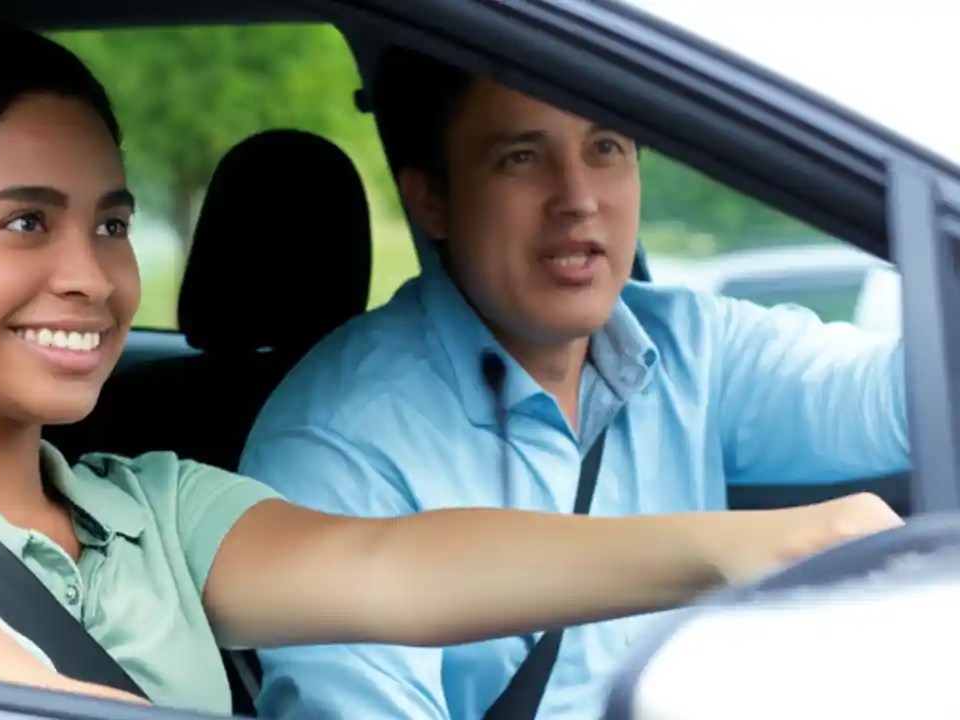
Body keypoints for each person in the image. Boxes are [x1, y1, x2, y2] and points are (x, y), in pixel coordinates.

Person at [0, 25, 901, 717]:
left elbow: (392, 563)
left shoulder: (140, 500)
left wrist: (743, 550)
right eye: (24, 224)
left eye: (109, 224)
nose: (93, 278)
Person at [238, 46, 913, 719]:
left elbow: (899, 399)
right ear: (432, 201)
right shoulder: (335, 442)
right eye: (522, 157)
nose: (579, 199)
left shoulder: (693, 346)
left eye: (607, 148)